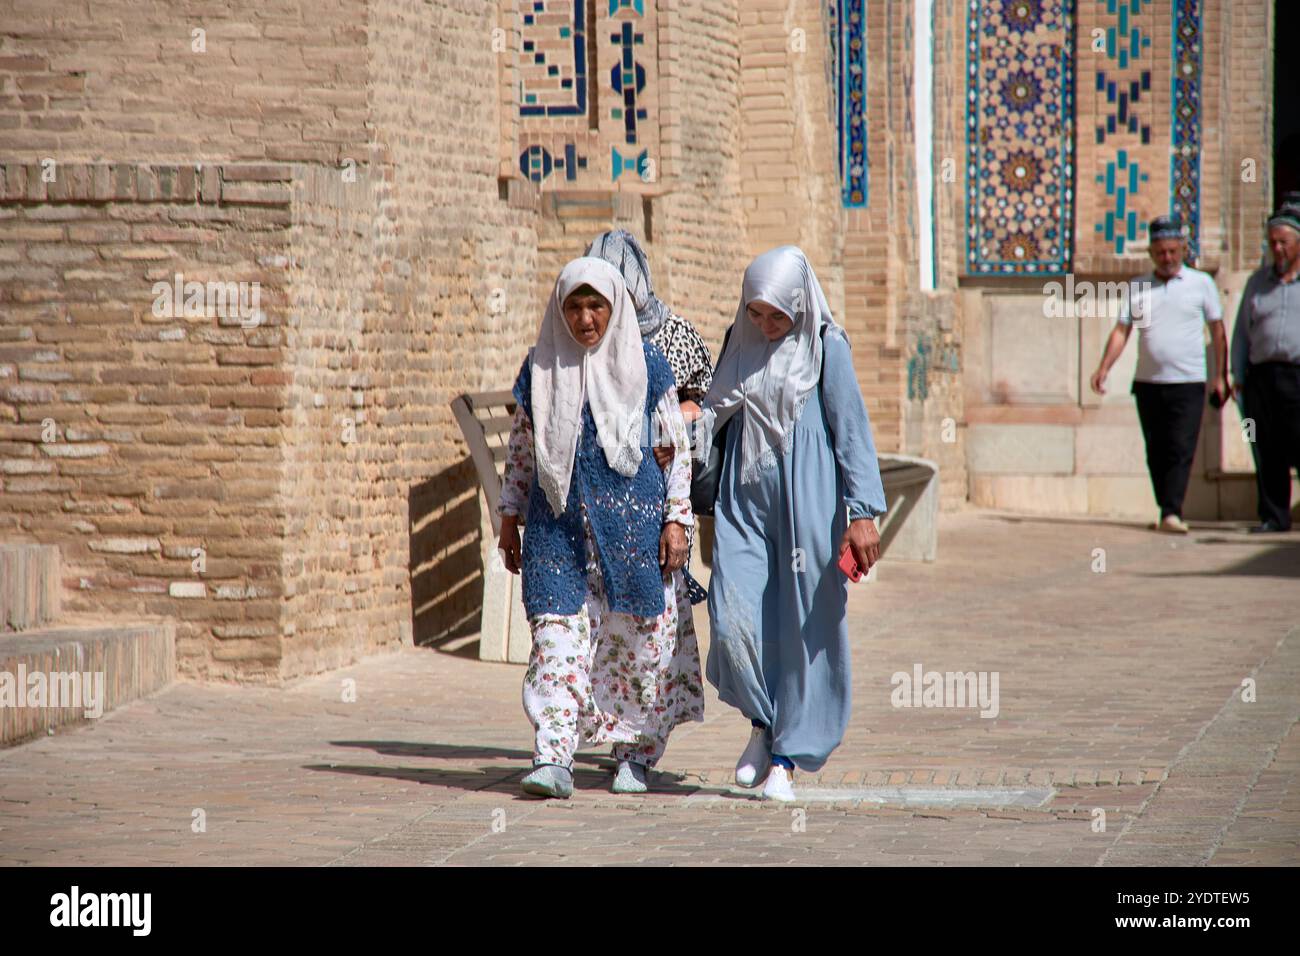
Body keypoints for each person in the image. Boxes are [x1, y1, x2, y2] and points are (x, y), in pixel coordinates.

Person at [497, 257, 704, 799]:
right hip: (557, 536)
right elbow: (522, 449)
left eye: (596, 306)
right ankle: (554, 755)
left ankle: (635, 754)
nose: (585, 318)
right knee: (554, 642)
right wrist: (509, 516)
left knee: (633, 648)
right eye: (574, 305)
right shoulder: (540, 369)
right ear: (559, 309)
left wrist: (677, 520)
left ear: (614, 309)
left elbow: (674, 451)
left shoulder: (648, 366)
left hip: (632, 535)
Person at [699, 245, 886, 802]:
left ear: (801, 306)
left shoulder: (827, 348)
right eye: (756, 312)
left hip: (809, 501)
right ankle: (763, 719)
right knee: (731, 615)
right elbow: (715, 409)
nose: (766, 324)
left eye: (777, 315)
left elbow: (851, 429)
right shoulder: (740, 341)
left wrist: (863, 512)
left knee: (807, 622)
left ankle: (787, 753)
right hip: (743, 497)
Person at [1089, 215, 1227, 533]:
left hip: (1189, 382)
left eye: (1173, 252)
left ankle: (1171, 512)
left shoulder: (1201, 284)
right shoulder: (1138, 287)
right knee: (1156, 451)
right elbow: (1122, 330)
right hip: (1149, 383)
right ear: (1151, 254)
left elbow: (1217, 331)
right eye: (1161, 253)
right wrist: (1103, 368)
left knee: (1181, 446)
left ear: (1183, 250)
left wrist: (1220, 376)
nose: (1167, 258)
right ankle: (1166, 508)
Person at [1230, 203, 1300, 532]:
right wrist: (1237, 376)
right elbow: (1242, 333)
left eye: (1284, 242)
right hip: (1262, 379)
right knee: (1266, 447)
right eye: (1272, 242)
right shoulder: (1258, 283)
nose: (1277, 248)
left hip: (1296, 376)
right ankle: (1274, 516)